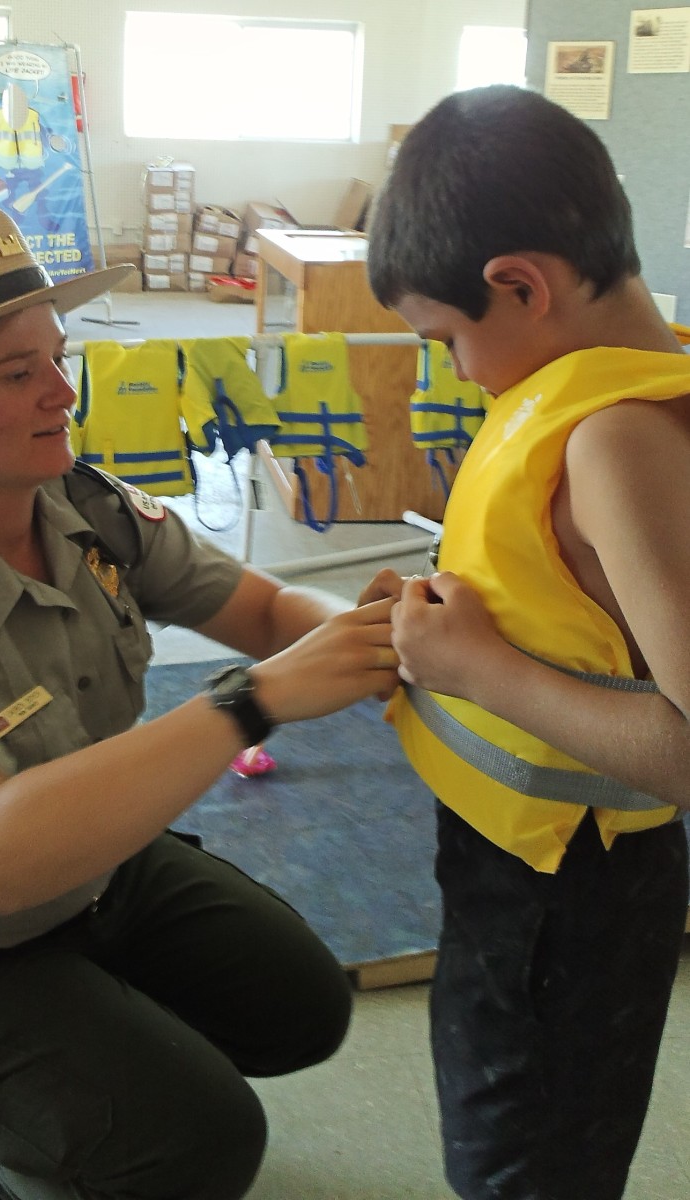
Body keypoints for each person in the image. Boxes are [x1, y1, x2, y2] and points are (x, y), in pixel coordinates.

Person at [0, 198, 403, 1200]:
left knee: (300, 1008)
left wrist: (380, 623)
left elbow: (268, 604)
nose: (61, 394)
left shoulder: (88, 509)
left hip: (96, 870)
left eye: (58, 359)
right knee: (199, 1144)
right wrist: (249, 704)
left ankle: (93, 1059)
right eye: (18, 374)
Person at [365, 84, 690, 1200]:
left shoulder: (621, 441)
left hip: (574, 904)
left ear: (520, 284)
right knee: (491, 1125)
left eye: (445, 337)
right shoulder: (563, 386)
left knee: (528, 1165)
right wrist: (433, 630)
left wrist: (475, 667)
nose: (452, 366)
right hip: (509, 873)